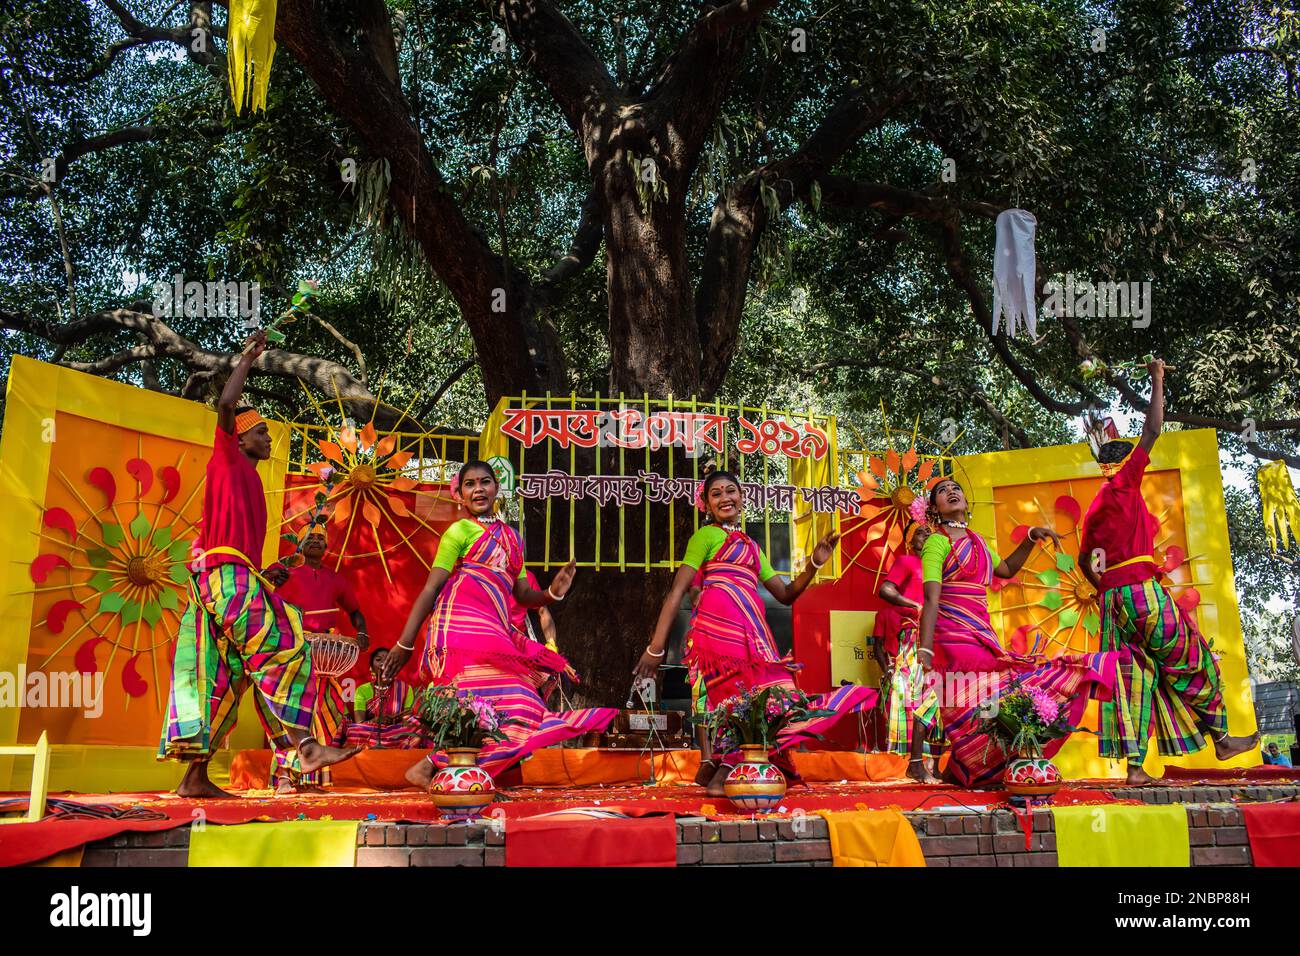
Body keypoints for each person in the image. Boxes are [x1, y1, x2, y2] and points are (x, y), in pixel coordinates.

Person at [157, 329, 359, 797]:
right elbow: (226, 407)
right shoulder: (226, 459)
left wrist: (261, 574)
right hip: (224, 578)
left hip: (227, 578)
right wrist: (248, 359)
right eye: (263, 431)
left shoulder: (245, 478)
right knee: (283, 641)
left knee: (225, 675)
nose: (270, 438)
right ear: (241, 437)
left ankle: (194, 778)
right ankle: (306, 745)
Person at [638, 470, 877, 796]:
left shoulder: (752, 547)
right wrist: (656, 647)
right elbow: (678, 590)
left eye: (730, 491)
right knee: (742, 703)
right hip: (718, 638)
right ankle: (725, 773)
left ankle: (728, 773)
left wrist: (814, 565)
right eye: (716, 494)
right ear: (707, 504)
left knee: (774, 699)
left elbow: (786, 594)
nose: (725, 498)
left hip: (755, 637)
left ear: (741, 497)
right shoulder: (705, 537)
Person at [381, 460, 616, 786]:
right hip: (459, 627)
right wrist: (405, 644)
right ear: (460, 494)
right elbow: (432, 588)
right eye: (470, 484)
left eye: (485, 482)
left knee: (515, 704)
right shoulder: (459, 531)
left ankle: (439, 769)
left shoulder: (513, 539)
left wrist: (551, 593)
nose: (478, 489)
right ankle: (449, 773)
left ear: (497, 488)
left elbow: (522, 594)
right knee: (473, 704)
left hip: (494, 631)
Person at [1080, 358, 1258, 784]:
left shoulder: (1096, 508)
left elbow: (1087, 562)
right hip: (1141, 594)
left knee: (1132, 679)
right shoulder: (1123, 484)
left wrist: (1107, 587)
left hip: (1113, 601)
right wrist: (1157, 377)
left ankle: (1137, 770)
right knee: (1194, 659)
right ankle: (1221, 739)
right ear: (1123, 465)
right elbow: (1153, 430)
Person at [917, 477, 1119, 789]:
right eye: (942, 491)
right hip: (952, 636)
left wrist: (1029, 538)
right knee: (980, 698)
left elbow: (1006, 570)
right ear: (933, 508)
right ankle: (977, 768)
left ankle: (962, 772)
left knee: (983, 701)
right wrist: (926, 648)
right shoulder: (936, 542)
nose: (952, 492)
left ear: (965, 502)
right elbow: (931, 596)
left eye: (956, 487)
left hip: (982, 632)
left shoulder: (979, 542)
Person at [267, 526, 370, 792]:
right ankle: (285, 777)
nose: (315, 542)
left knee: (324, 714)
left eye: (320, 539)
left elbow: (356, 611)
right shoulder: (286, 575)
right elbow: (269, 609)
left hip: (324, 657)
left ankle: (312, 780)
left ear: (326, 549)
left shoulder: (336, 579)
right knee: (291, 714)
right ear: (299, 546)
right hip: (294, 651)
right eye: (309, 538)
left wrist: (361, 632)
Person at [874, 523, 943, 783]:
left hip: (942, 636)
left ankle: (933, 765)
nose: (927, 536)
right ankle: (916, 765)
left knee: (944, 699)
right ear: (911, 543)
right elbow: (886, 590)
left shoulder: (941, 567)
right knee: (922, 698)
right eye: (921, 533)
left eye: (930, 532)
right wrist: (913, 604)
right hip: (914, 637)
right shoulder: (907, 561)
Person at [343, 648, 420, 749]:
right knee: (354, 730)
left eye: (388, 659)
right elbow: (360, 722)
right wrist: (375, 721)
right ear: (371, 667)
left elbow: (407, 719)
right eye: (379, 660)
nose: (383, 663)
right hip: (373, 730)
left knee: (416, 723)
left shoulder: (405, 688)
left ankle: (395, 744)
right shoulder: (362, 690)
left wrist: (394, 719)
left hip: (395, 731)